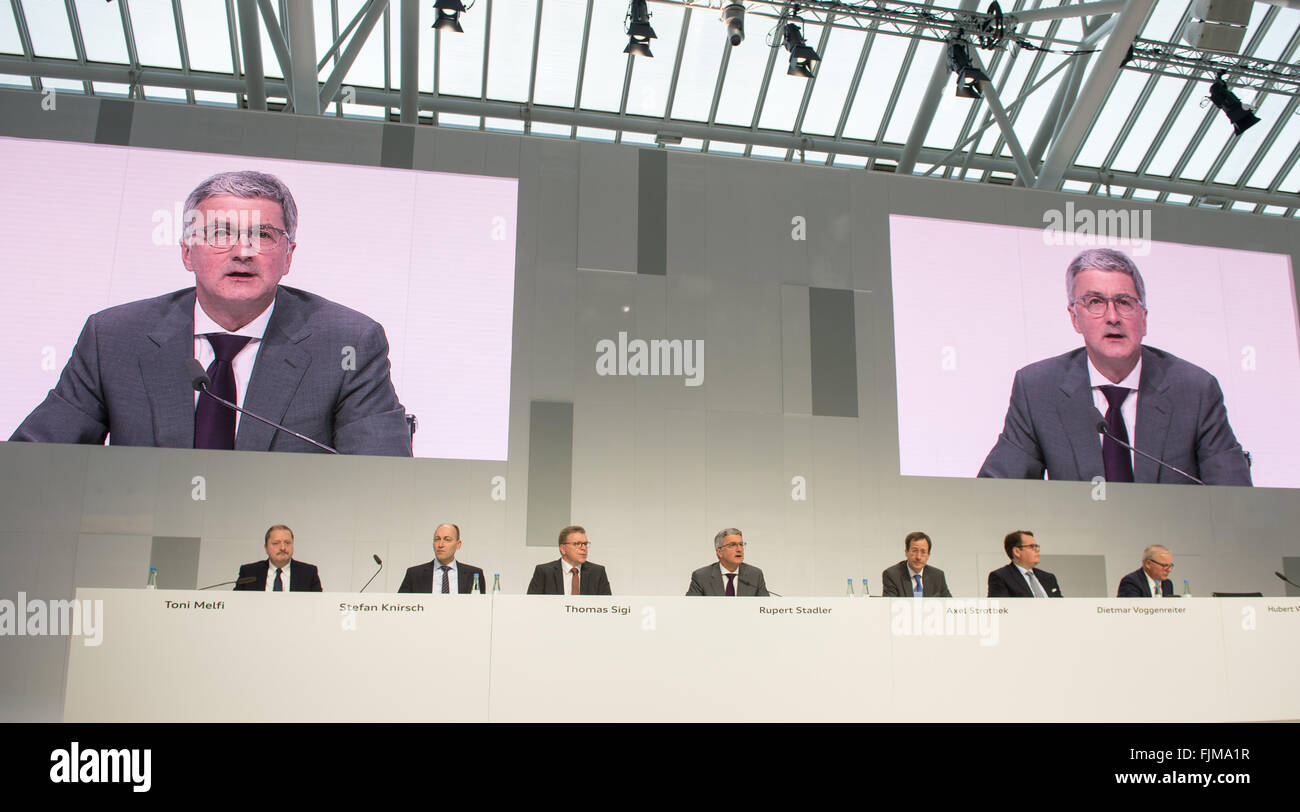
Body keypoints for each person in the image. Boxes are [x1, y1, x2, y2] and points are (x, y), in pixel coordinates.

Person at [9, 170, 412, 456]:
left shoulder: (349, 342)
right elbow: (33, 461)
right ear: (187, 251)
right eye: (220, 233)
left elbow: (381, 479)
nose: (242, 251)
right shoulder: (114, 337)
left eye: (263, 236)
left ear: (288, 256)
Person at [978, 248, 1250, 485]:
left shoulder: (1195, 389)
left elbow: (1233, 496)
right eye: (1095, 302)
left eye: (1124, 302)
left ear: (1143, 318)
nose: (1112, 317)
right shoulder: (1038, 388)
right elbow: (998, 491)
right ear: (1074, 318)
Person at [398, 523, 487, 594]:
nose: (440, 545)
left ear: (458, 544)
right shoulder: (414, 574)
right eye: (437, 539)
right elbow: (401, 606)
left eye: (447, 539)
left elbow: (480, 608)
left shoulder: (474, 575)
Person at [526, 525, 612, 595]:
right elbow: (531, 606)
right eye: (577, 544)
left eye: (585, 544)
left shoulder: (597, 572)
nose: (584, 548)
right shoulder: (544, 572)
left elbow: (606, 608)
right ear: (563, 548)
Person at [234, 524, 323, 592]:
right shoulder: (249, 573)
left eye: (287, 543)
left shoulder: (308, 573)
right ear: (266, 547)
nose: (283, 548)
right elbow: (235, 602)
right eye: (276, 543)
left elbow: (318, 604)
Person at [685, 528, 769, 596]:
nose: (739, 549)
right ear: (719, 552)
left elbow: (764, 608)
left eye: (741, 544)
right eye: (732, 545)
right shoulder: (702, 577)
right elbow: (691, 609)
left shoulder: (755, 575)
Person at [987, 530, 1061, 598]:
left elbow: (1061, 604)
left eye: (1037, 546)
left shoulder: (1048, 578)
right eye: (1032, 546)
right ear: (1017, 552)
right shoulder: (1001, 577)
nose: (1037, 550)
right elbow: (1001, 608)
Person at [881, 531, 953, 597]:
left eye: (923, 552)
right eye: (914, 551)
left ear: (928, 555)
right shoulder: (892, 575)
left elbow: (949, 604)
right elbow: (889, 606)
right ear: (906, 552)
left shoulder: (937, 576)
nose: (918, 557)